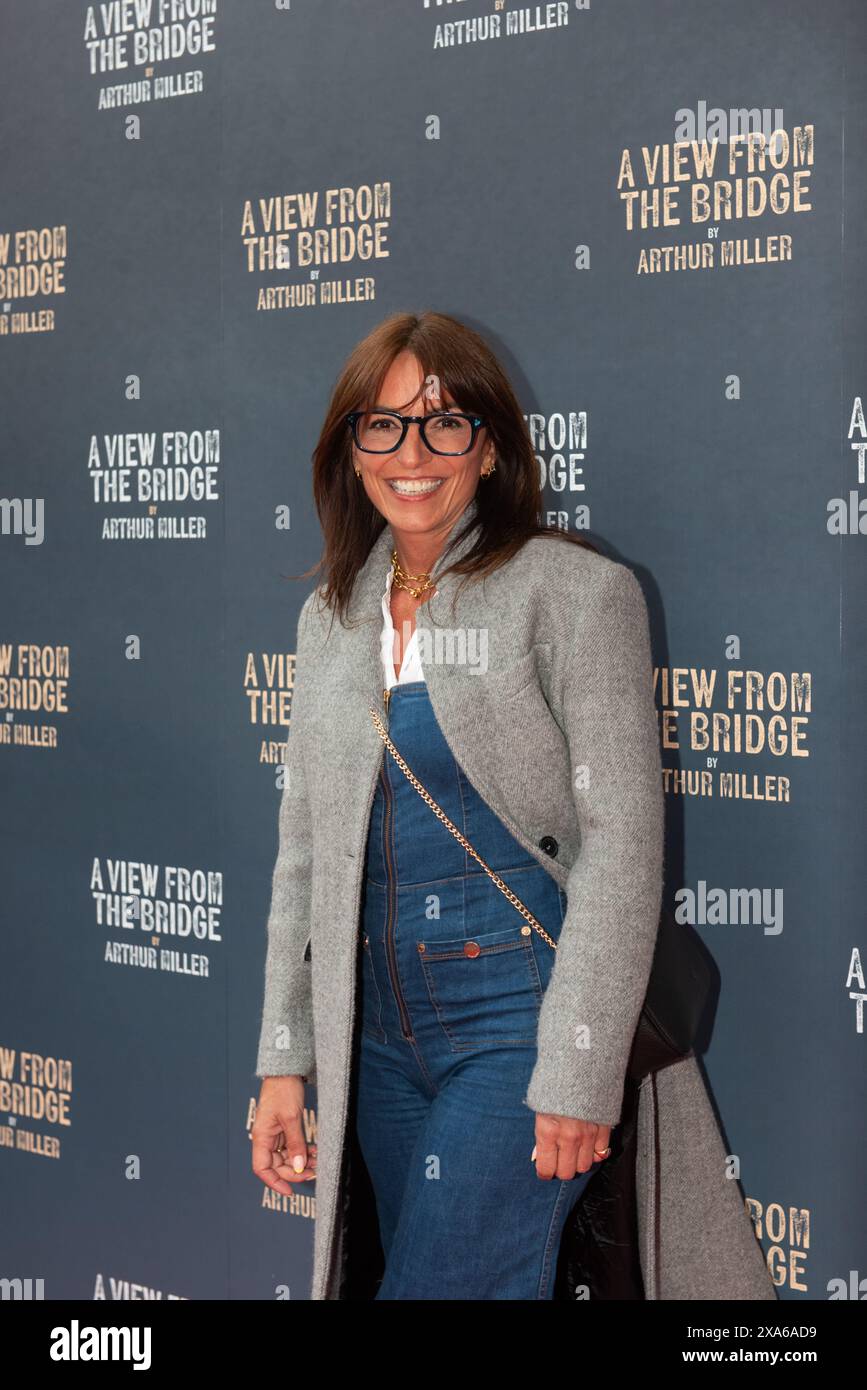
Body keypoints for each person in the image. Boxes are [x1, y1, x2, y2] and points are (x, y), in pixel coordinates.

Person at [251, 310, 776, 1302]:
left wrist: (579, 1066)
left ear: (489, 449)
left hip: (516, 1024)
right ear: (350, 447)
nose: (413, 452)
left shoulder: (575, 594)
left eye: (445, 423)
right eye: (384, 424)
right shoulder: (329, 621)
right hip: (375, 1044)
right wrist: (285, 1059)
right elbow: (305, 855)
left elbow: (621, 845)